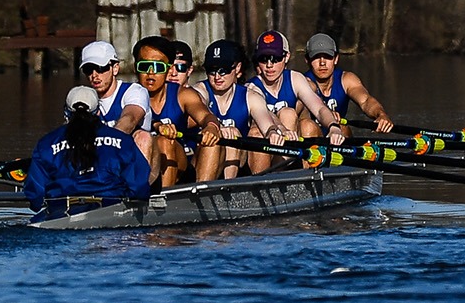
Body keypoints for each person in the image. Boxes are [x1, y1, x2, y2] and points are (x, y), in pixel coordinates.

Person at [24, 85, 152, 221]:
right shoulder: (123, 141)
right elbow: (139, 187)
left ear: (66, 113)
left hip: (59, 215)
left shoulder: (45, 144)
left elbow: (34, 196)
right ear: (98, 112)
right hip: (111, 213)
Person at [133, 35, 222, 187]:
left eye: (158, 67)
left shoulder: (183, 95)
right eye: (144, 66)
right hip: (140, 162)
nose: (150, 73)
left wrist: (211, 127)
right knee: (162, 140)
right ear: (136, 68)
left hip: (177, 162)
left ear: (168, 70)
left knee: (210, 142)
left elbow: (206, 116)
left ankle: (199, 197)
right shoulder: (127, 95)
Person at [198, 39, 288, 178]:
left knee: (242, 135)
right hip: (201, 159)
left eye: (224, 70)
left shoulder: (251, 97)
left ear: (237, 68)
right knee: (225, 136)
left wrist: (272, 133)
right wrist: (217, 127)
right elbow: (200, 106)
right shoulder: (199, 91)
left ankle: (234, 190)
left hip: (238, 159)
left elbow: (267, 124)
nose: (217, 76)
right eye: (212, 70)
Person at [247, 28, 350, 146]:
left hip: (290, 139)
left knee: (300, 122)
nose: (269, 65)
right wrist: (282, 129)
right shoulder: (251, 88)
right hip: (267, 141)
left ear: (286, 57)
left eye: (276, 58)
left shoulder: (295, 79)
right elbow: (266, 115)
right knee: (287, 114)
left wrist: (333, 127)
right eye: (263, 59)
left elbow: (319, 109)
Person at [78, 39, 153, 162]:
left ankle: (140, 182)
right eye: (89, 69)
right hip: (102, 163)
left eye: (100, 68)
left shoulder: (134, 91)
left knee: (143, 137)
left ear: (115, 68)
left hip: (134, 160)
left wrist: (107, 144)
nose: (95, 75)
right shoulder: (85, 99)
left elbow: (130, 119)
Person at [303, 33, 395, 133]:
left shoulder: (347, 79)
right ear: (307, 60)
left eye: (327, 57)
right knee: (307, 126)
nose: (322, 63)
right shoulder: (301, 83)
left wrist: (381, 114)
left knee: (343, 127)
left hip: (337, 135)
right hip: (310, 136)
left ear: (336, 59)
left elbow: (366, 101)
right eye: (316, 57)